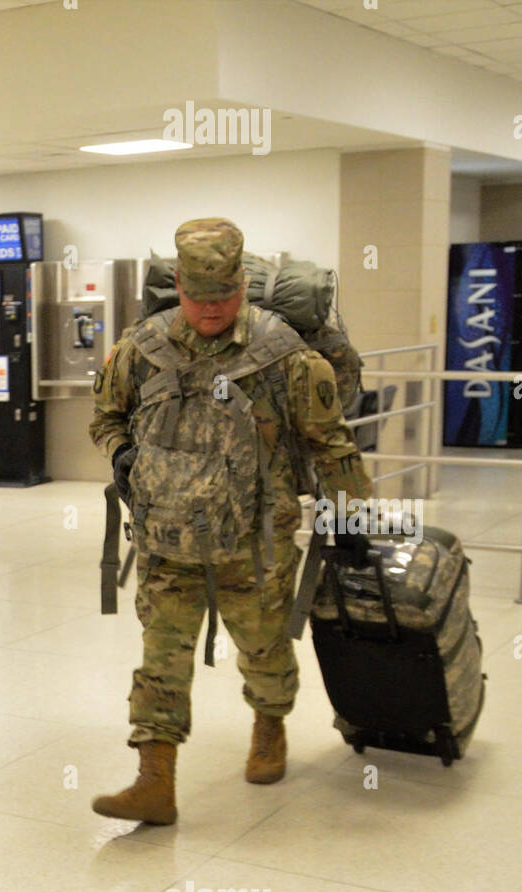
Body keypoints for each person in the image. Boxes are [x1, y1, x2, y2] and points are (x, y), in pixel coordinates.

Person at [89, 217, 372, 824]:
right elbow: (106, 416)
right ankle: (153, 779)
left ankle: (270, 724)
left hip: (257, 540)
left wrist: (353, 517)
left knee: (263, 648)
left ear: (243, 285)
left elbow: (331, 442)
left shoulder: (284, 354)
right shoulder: (142, 347)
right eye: (197, 298)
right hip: (168, 535)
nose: (210, 309)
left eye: (223, 297)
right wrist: (121, 453)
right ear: (180, 289)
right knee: (161, 653)